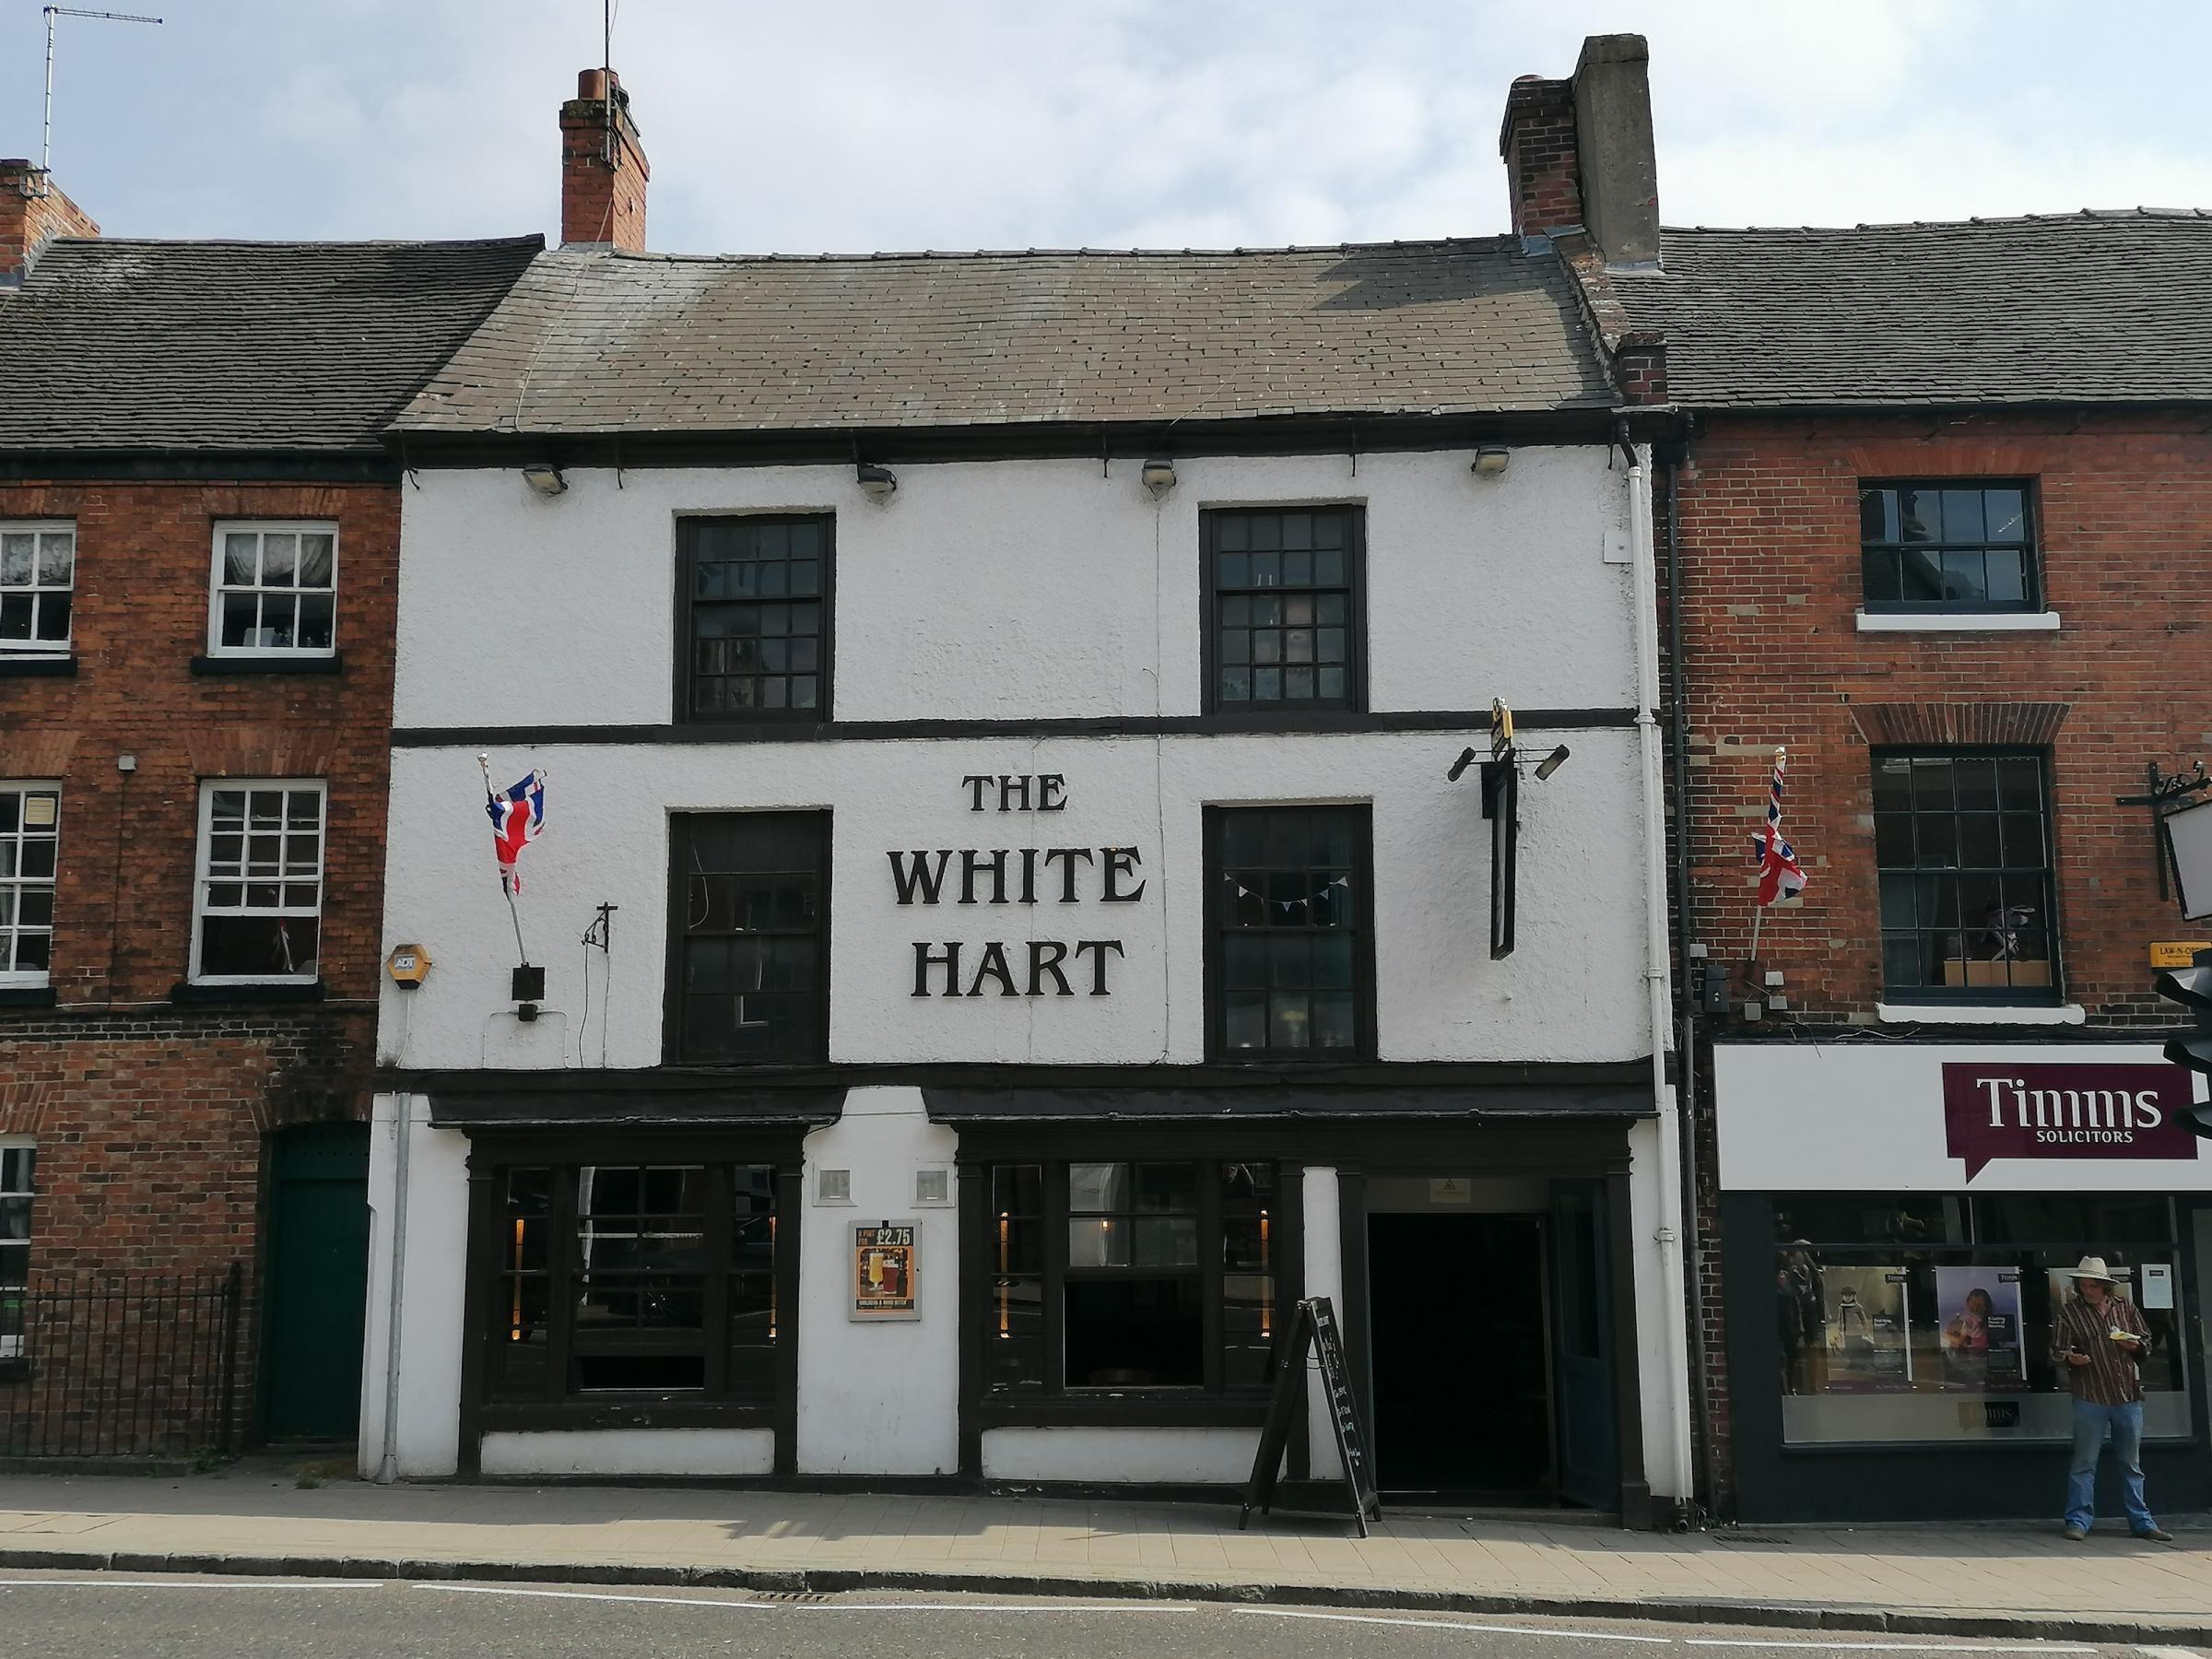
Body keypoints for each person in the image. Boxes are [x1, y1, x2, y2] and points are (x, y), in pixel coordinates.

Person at [2051, 1255, 2171, 1542]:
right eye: (2083, 1286)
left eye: (2093, 1286)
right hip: (2090, 1395)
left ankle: (2141, 1521)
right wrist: (2071, 1359)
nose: (2088, 1291)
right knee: (2084, 1462)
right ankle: (2078, 1520)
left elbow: (2147, 1341)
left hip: (2127, 1394)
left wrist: (2135, 1346)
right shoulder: (2070, 1313)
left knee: (2131, 1464)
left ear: (2106, 1286)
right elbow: (2056, 1350)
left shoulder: (2125, 1308)